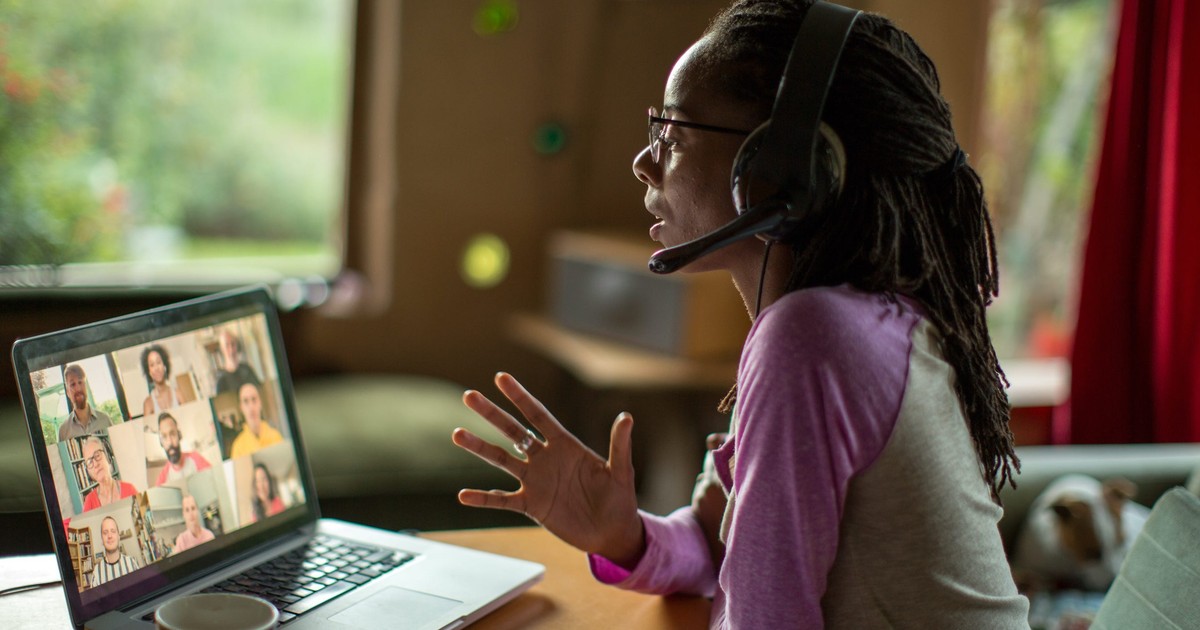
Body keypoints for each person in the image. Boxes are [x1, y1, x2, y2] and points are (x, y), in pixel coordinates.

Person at [450, 1, 1030, 627]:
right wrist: (624, 535)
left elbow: (764, 617)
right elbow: (726, 553)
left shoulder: (812, 339)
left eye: (671, 135)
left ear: (780, 170)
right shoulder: (874, 321)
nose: (645, 163)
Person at [81, 437, 138, 512]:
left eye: (97, 455)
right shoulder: (89, 501)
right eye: (89, 462)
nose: (95, 464)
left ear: (108, 456)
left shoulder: (130, 489)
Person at [58, 364, 113, 442]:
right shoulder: (63, 432)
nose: (78, 388)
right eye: (73, 384)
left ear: (86, 386)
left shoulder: (105, 420)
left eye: (80, 382)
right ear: (67, 392)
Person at [155, 412, 212, 486]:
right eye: (164, 437)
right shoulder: (162, 480)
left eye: (172, 434)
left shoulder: (195, 458)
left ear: (179, 436)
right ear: (161, 443)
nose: (170, 442)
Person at [229, 382, 284, 458]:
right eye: (246, 401)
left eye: (254, 399)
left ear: (260, 403)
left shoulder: (276, 436)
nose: (251, 407)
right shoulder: (237, 447)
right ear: (241, 407)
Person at [88, 516, 141, 588]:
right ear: (102, 539)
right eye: (105, 533)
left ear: (118, 536)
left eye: (113, 531)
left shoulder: (132, 563)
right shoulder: (97, 573)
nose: (109, 536)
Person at [214, 329, 260, 395]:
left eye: (233, 344)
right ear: (222, 349)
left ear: (236, 345)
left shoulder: (247, 369)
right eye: (227, 345)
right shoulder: (221, 382)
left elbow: (259, 390)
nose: (231, 349)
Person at [141, 344, 181, 419]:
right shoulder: (148, 403)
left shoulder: (178, 393)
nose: (156, 368)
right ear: (149, 372)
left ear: (164, 366)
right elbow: (148, 430)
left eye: (158, 362)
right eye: (152, 365)